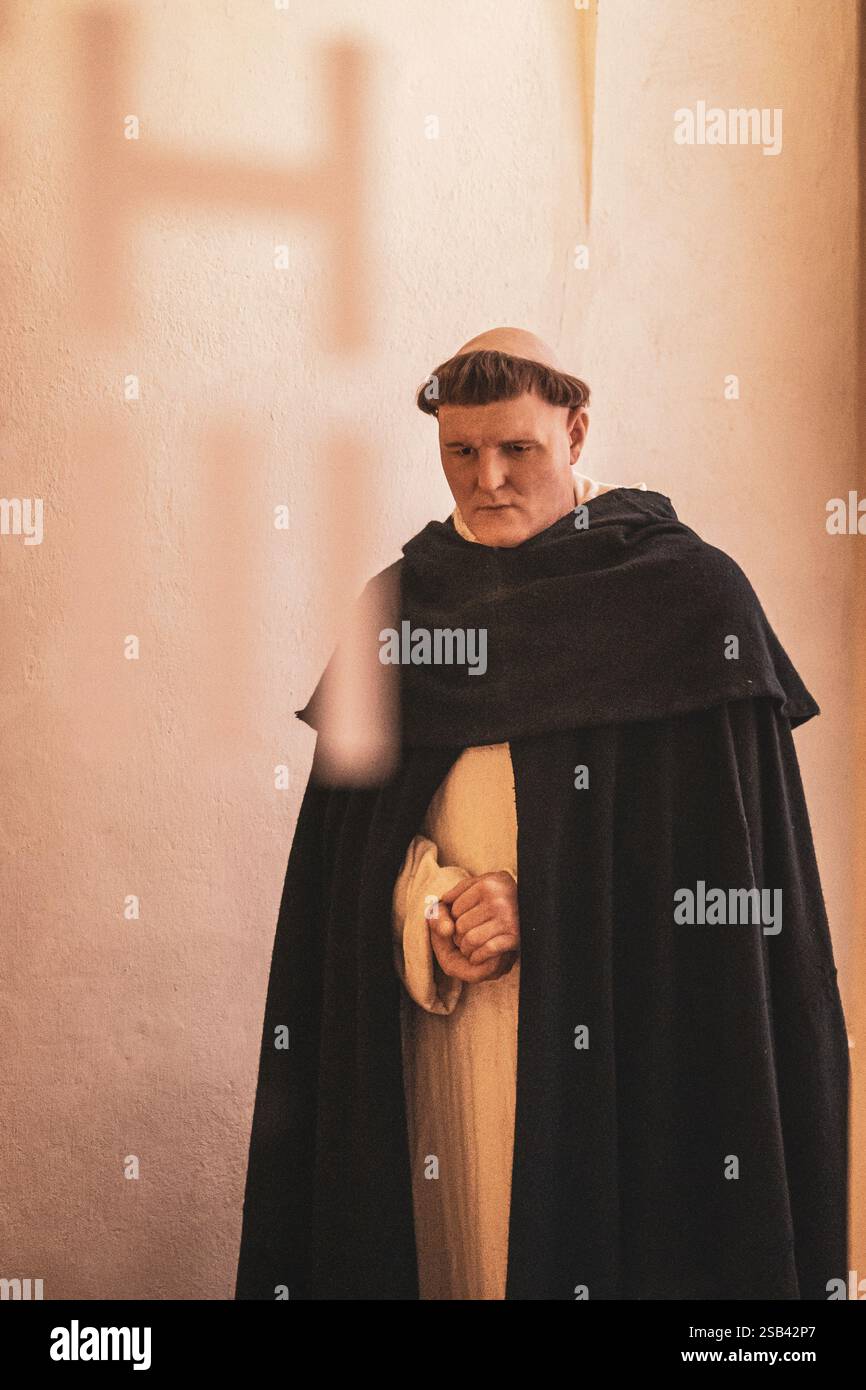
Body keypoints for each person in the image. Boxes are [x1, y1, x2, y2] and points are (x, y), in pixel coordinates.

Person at [235, 327, 849, 1301]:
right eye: (459, 451)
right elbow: (332, 876)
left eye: (515, 448)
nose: (486, 478)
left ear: (573, 431)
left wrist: (552, 910)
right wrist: (426, 907)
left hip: (625, 1073)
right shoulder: (402, 617)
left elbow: (736, 899)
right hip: (435, 1063)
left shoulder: (686, 605)